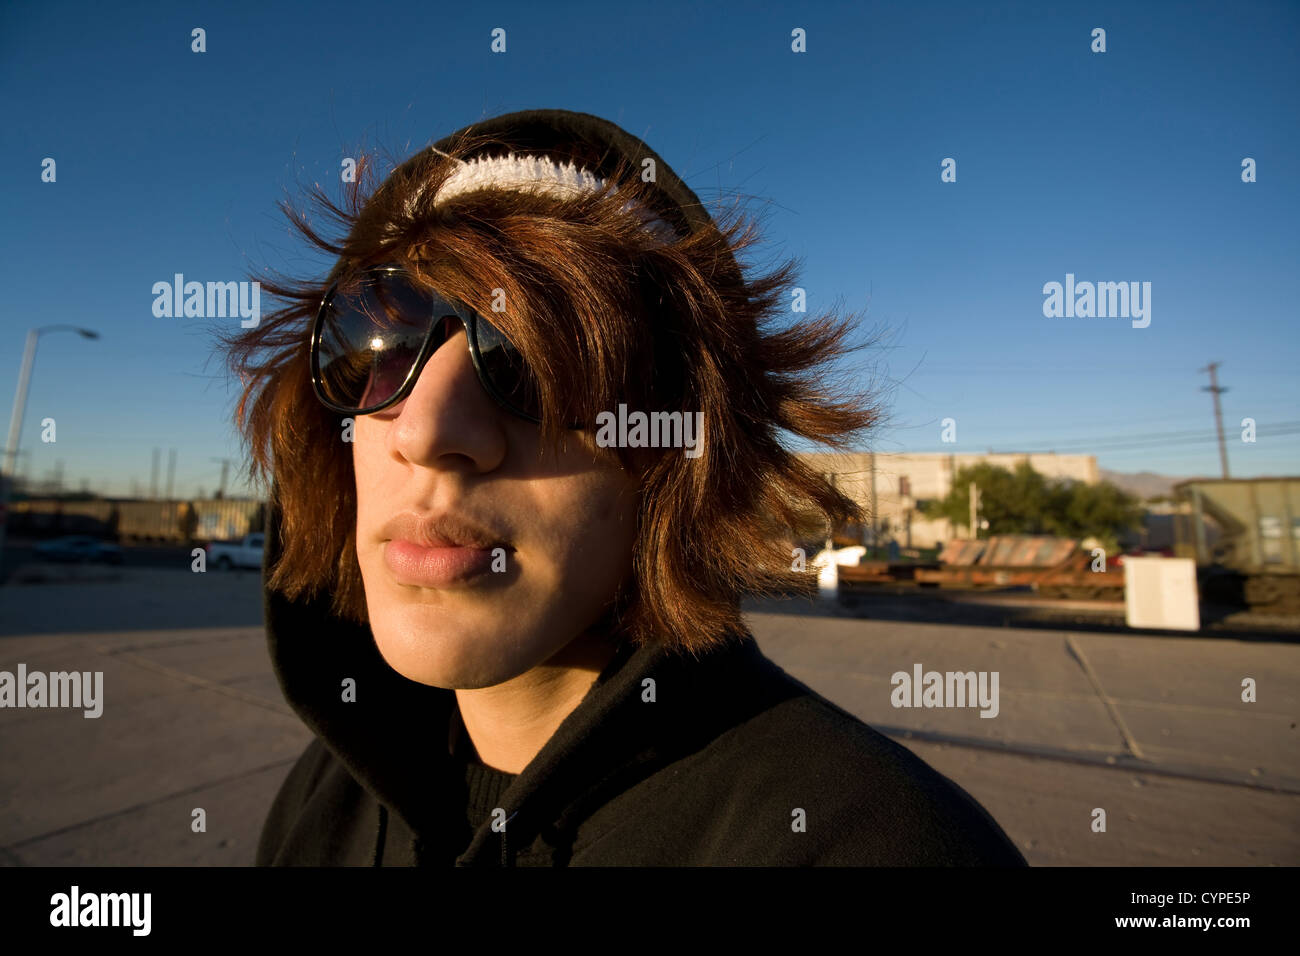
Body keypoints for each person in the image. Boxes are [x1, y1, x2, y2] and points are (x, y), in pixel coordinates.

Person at [226, 108, 1026, 866]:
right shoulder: (320, 803)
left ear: (679, 455)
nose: (424, 431)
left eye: (539, 366)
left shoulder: (874, 847)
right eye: (381, 349)